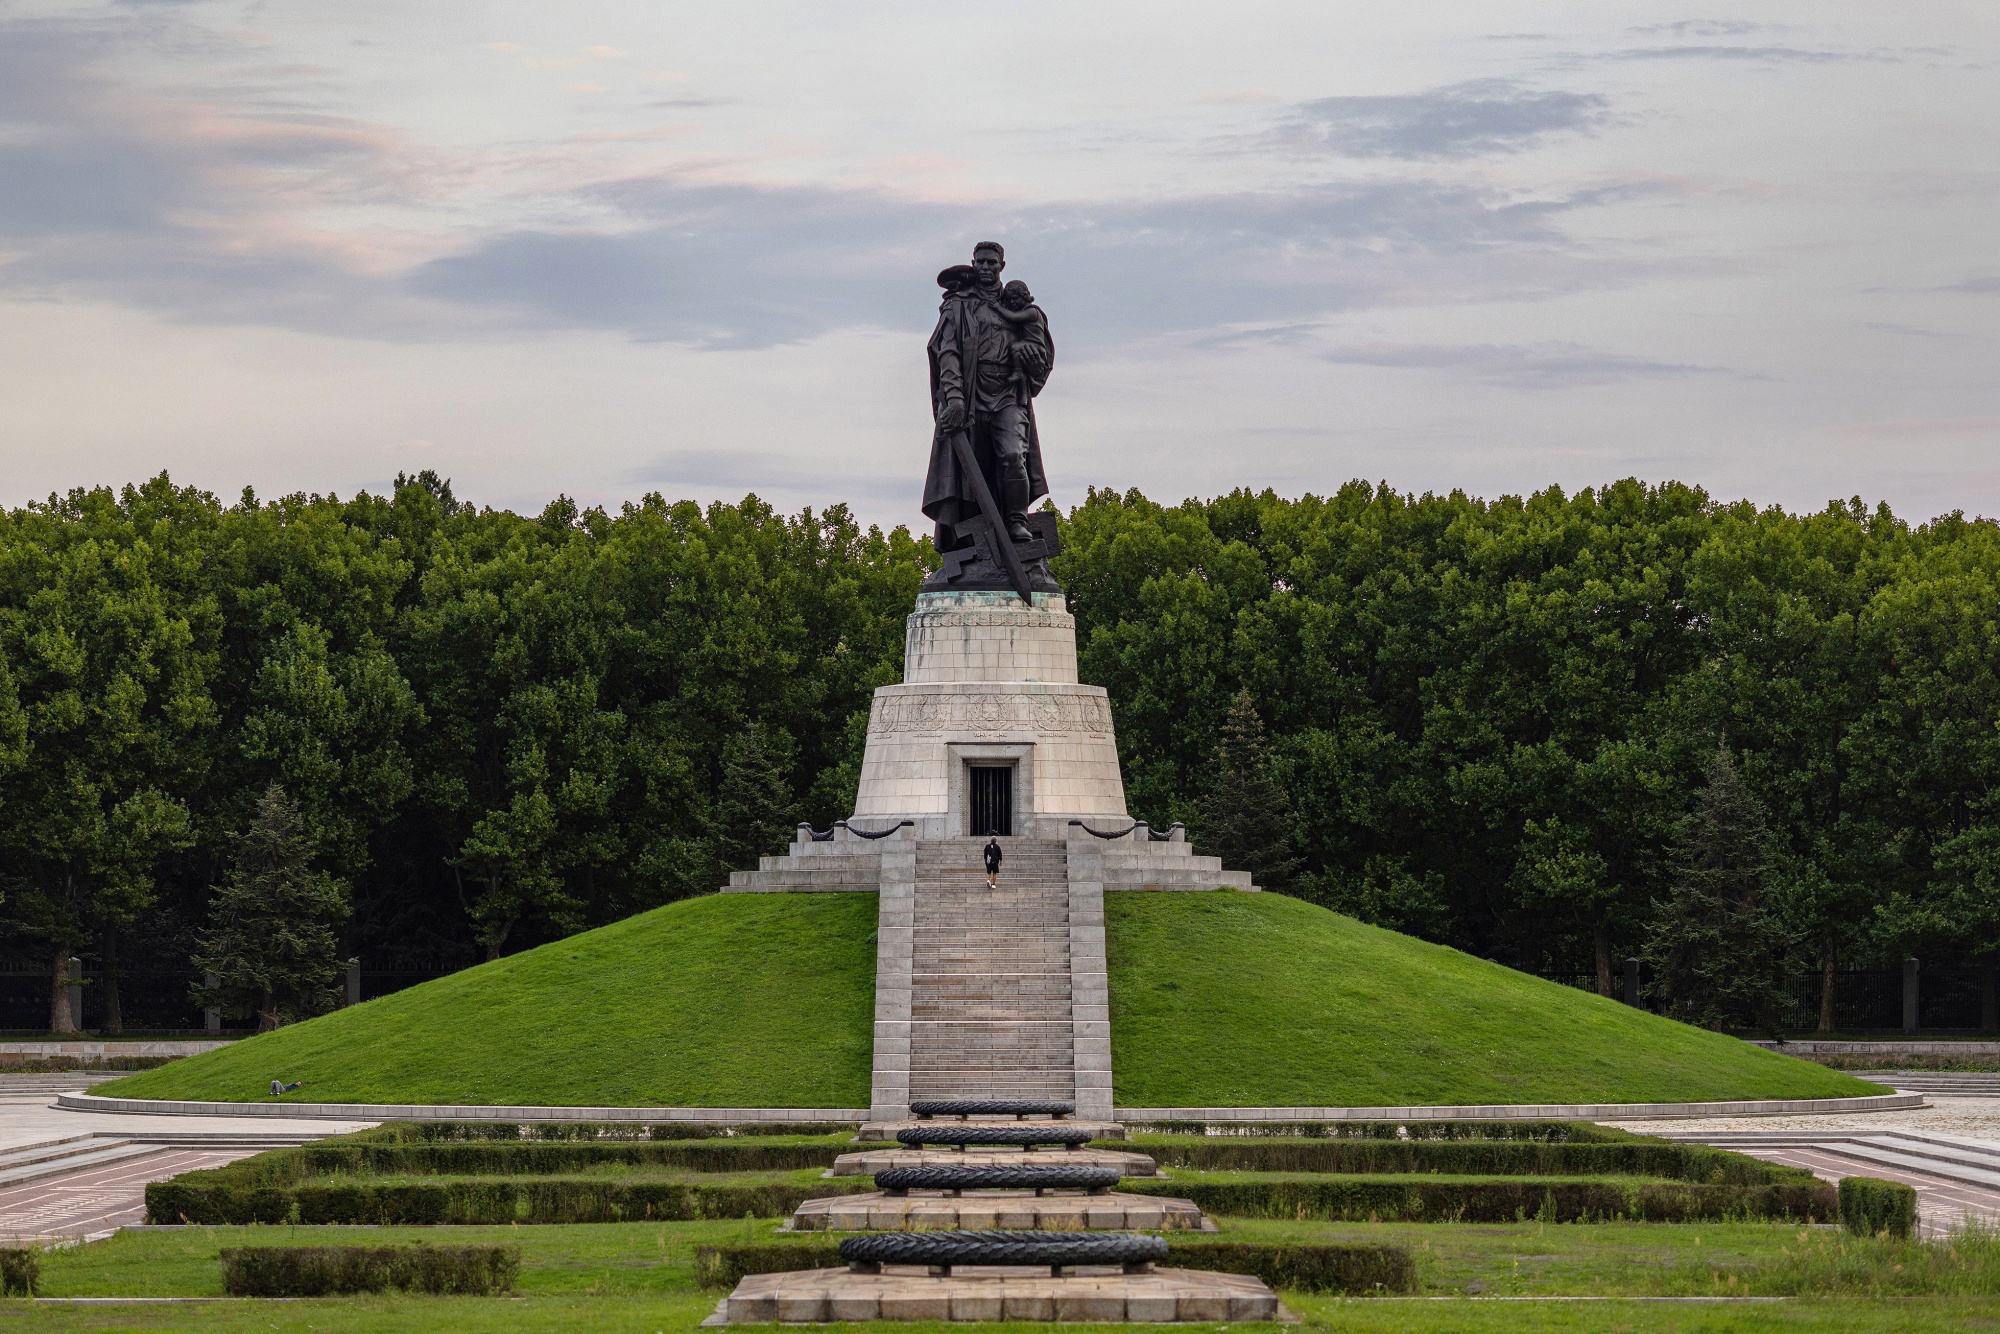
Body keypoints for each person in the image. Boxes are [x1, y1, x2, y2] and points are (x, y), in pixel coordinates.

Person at [922, 241, 1054, 549]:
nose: (985, 267)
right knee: (972, 470)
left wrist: (1036, 366)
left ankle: (1017, 520)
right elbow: (947, 352)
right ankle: (973, 540)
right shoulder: (958, 304)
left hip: (1008, 392)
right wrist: (953, 397)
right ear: (973, 262)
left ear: (1001, 267)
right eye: (980, 262)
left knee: (1012, 455)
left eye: (991, 263)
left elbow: (1041, 353)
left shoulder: (1017, 305)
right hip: (970, 395)